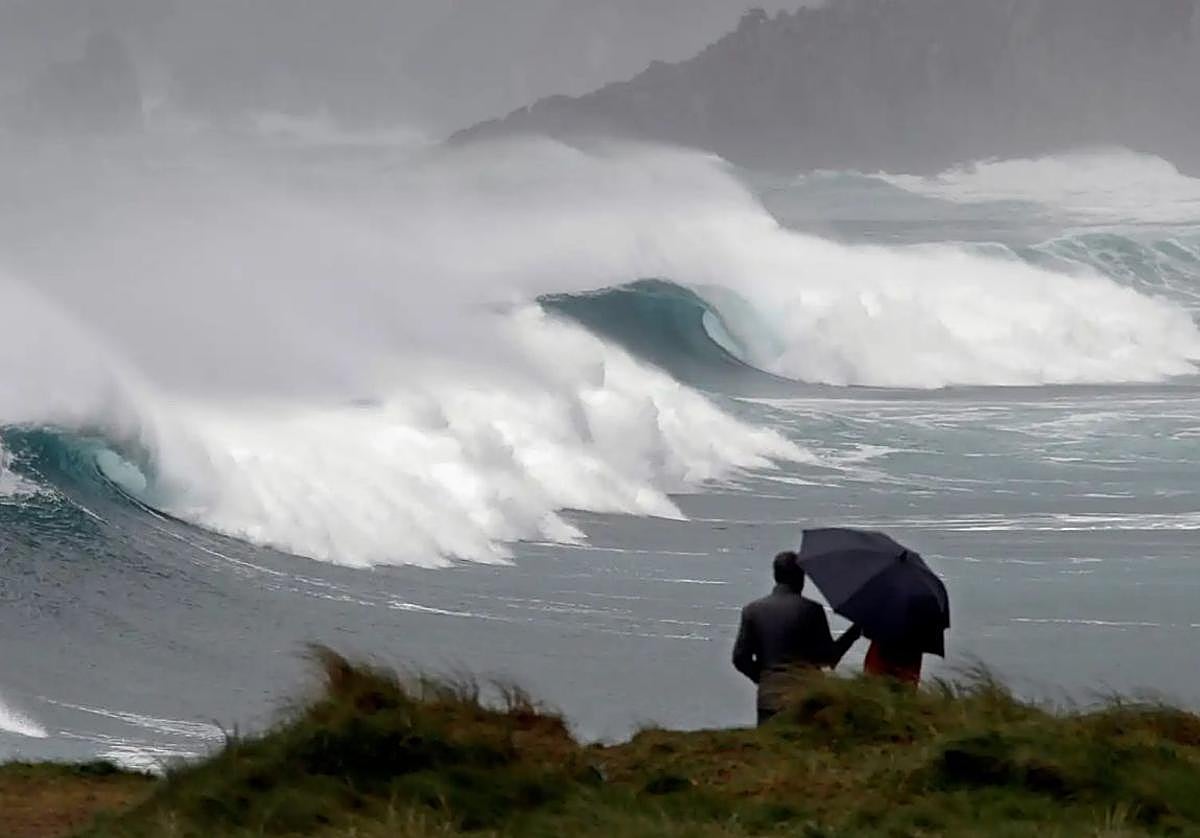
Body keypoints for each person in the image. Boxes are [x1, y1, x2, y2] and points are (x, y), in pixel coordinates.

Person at [732, 550, 862, 724]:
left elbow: (740, 658)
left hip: (769, 697)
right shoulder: (812, 610)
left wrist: (764, 676)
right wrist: (854, 633)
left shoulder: (752, 610)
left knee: (769, 747)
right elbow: (829, 658)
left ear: (775, 576)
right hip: (805, 697)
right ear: (801, 577)